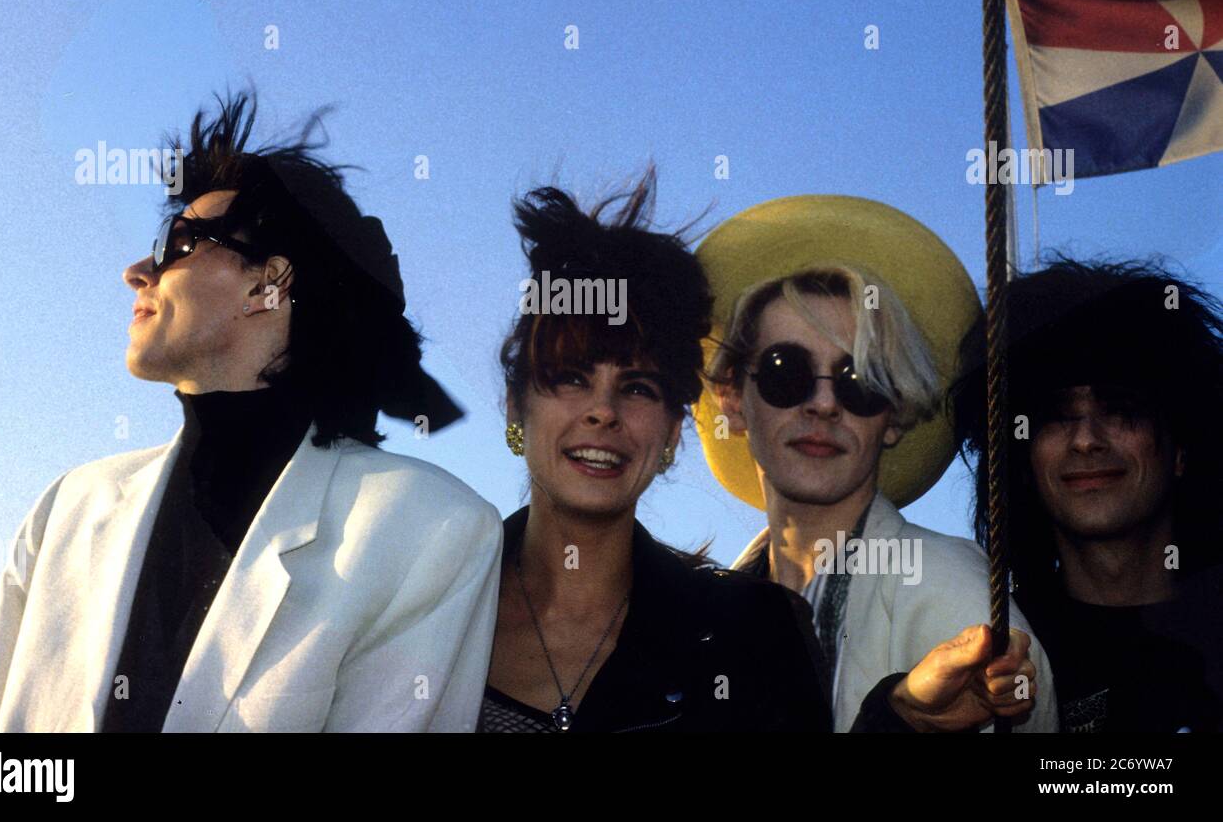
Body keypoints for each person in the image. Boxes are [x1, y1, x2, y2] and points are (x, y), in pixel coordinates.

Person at [0, 89, 502, 732]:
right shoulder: (68, 507)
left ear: (266, 284)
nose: (138, 270)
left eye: (178, 242)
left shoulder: (431, 529)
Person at [480, 168, 845, 733]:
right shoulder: (428, 600)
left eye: (638, 387)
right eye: (572, 377)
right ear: (515, 408)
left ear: (674, 431)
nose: (603, 411)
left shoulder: (754, 631)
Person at [698, 194, 1058, 732]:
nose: (823, 404)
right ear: (732, 395)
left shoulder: (945, 586)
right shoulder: (704, 614)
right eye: (785, 371)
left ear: (894, 415)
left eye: (859, 382)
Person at [952, 255, 1223, 732]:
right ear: (1023, 464)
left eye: (1120, 409)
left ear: (1182, 450)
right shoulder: (991, 654)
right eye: (1054, 415)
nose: (1086, 439)